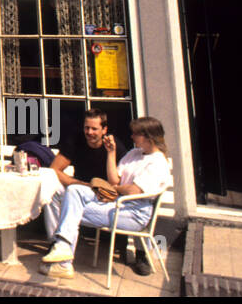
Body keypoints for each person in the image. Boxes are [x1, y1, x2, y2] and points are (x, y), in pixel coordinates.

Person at [42, 116, 172, 280]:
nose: (131, 136)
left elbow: (133, 191)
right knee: (74, 190)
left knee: (70, 210)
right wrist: (111, 153)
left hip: (134, 214)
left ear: (147, 136)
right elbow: (113, 181)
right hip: (116, 204)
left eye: (135, 134)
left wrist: (116, 189)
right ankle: (62, 249)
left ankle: (63, 260)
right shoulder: (134, 153)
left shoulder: (158, 163)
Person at [43, 108, 113, 239]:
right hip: (77, 190)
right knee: (52, 190)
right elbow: (54, 169)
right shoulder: (76, 140)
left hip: (102, 195)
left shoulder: (113, 147)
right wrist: (81, 184)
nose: (89, 132)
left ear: (104, 130)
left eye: (94, 129)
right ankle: (56, 242)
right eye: (87, 128)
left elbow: (119, 181)